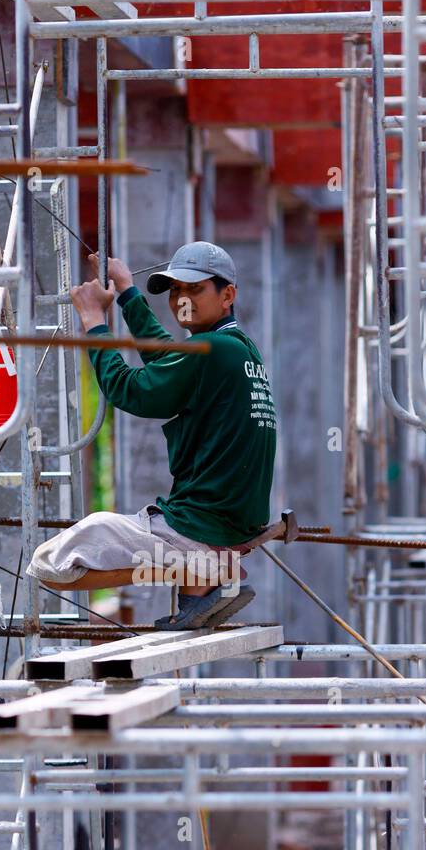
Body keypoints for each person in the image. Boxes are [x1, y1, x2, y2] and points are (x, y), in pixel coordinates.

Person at [26, 240, 277, 629]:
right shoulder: (238, 350)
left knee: (50, 564)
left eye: (195, 289)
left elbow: (131, 390)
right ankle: (200, 572)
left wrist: (94, 322)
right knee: (65, 556)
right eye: (176, 290)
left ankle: (196, 572)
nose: (182, 299)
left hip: (198, 526)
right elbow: (167, 359)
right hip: (229, 524)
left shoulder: (212, 350)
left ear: (228, 294)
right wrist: (127, 291)